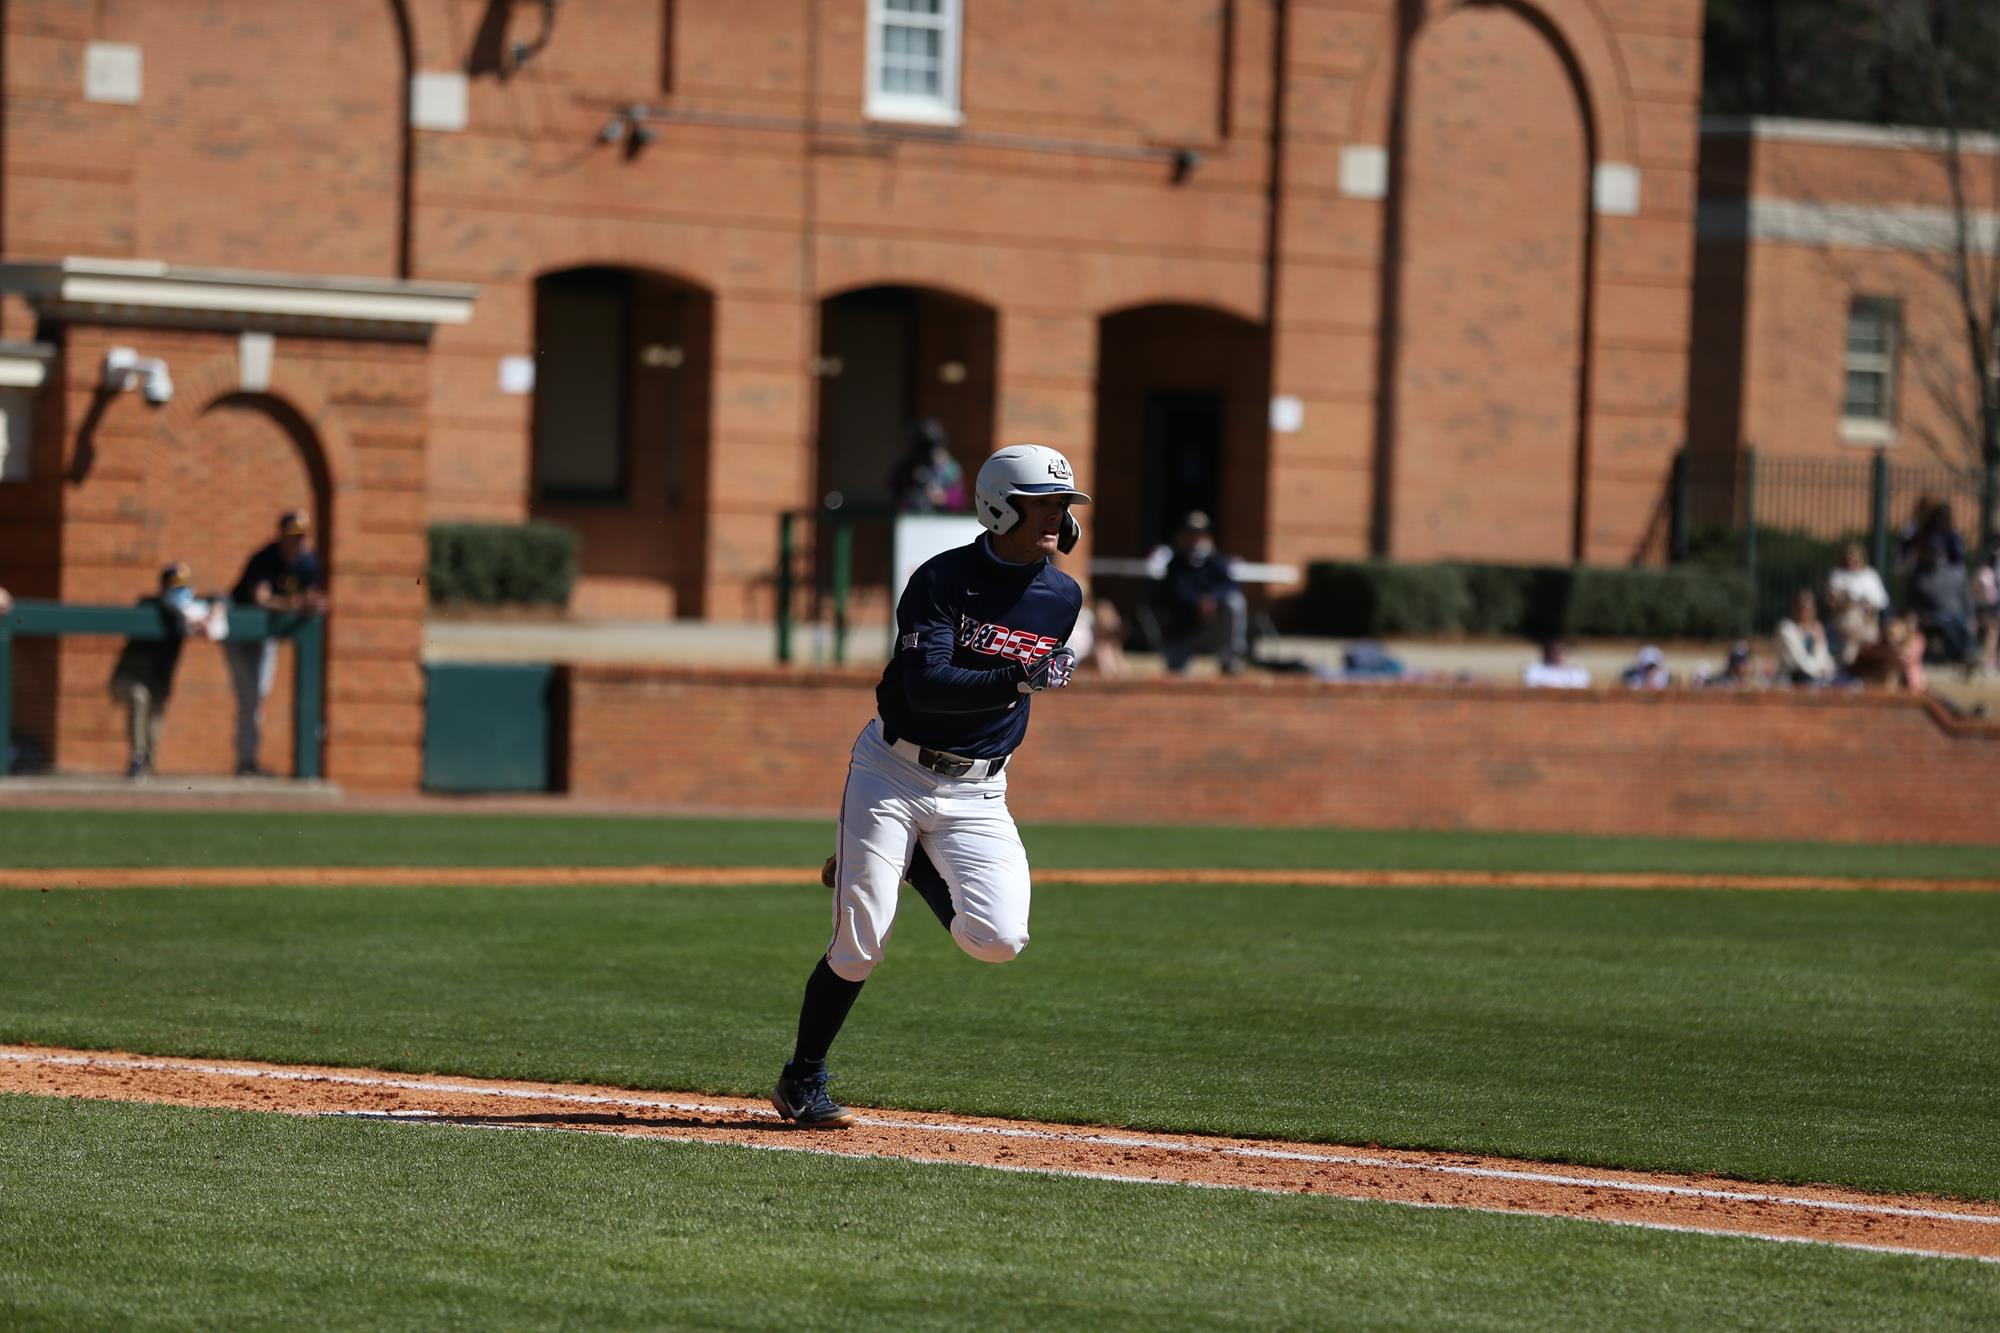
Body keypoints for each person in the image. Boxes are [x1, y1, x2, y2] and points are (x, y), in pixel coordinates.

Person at [774, 444, 1088, 1128]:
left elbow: (1014, 691)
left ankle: (913, 863)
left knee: (999, 938)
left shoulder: (1063, 595)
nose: (1056, 518)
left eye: (1062, 506)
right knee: (862, 940)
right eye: (1042, 503)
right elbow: (928, 684)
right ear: (999, 505)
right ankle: (802, 1077)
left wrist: (1024, 681)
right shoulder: (942, 579)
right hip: (894, 769)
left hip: (980, 790)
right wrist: (1018, 678)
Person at [226, 509, 325, 777]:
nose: (298, 542)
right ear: (280, 535)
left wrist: (312, 603)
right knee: (250, 696)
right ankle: (246, 760)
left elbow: (313, 597)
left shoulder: (308, 563)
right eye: (293, 536)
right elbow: (261, 599)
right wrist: (294, 604)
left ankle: (248, 759)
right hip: (239, 632)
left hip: (266, 635)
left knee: (260, 691)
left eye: (302, 537)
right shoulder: (265, 558)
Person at [108, 564, 222, 778]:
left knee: (155, 723)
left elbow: (221, 597)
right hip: (127, 678)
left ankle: (148, 767)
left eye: (184, 587)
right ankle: (137, 759)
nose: (180, 593)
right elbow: (161, 607)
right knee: (139, 697)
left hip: (159, 681)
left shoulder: (190, 608)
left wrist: (215, 609)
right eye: (175, 587)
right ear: (162, 588)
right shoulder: (149, 604)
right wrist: (185, 616)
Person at [1159, 511, 1248, 674]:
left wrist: (1211, 598)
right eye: (1191, 534)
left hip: (1214, 626)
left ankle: (1230, 656)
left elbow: (1232, 584)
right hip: (1185, 627)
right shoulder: (1176, 563)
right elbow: (1176, 591)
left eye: (1200, 534)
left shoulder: (1215, 560)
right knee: (1176, 673)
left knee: (1235, 601)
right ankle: (1179, 658)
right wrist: (1198, 602)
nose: (1195, 539)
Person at [1906, 534, 1977, 667]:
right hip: (1931, 615)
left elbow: (1966, 598)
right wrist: (1917, 615)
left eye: (1938, 551)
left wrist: (1971, 617)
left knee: (1964, 628)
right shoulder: (1920, 575)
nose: (1935, 555)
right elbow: (1913, 601)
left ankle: (1966, 656)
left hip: (1954, 614)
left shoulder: (1956, 572)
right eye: (1932, 551)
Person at [1824, 541, 1890, 665]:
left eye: (1854, 554)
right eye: (1848, 554)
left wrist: (1864, 605)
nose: (1851, 558)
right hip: (1844, 620)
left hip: (1868, 621)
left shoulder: (1871, 575)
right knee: (1851, 627)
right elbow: (1832, 602)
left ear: (1861, 556)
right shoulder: (1837, 575)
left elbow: (1881, 602)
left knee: (1857, 638)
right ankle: (1847, 667)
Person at [889, 419, 967, 513]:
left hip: (938, 521)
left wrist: (944, 498)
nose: (928, 453)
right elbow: (893, 490)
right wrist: (909, 496)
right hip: (908, 518)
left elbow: (960, 499)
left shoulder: (949, 468)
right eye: (923, 448)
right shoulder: (905, 466)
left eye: (933, 447)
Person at [1521, 639, 1590, 688]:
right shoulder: (1535, 669)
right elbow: (1531, 683)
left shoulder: (1577, 672)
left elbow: (1582, 686)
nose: (1558, 654)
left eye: (1561, 650)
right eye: (1555, 651)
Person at [1698, 641, 1764, 689]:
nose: (1741, 665)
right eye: (1737, 662)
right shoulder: (1721, 681)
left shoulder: (1757, 681)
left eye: (1744, 662)